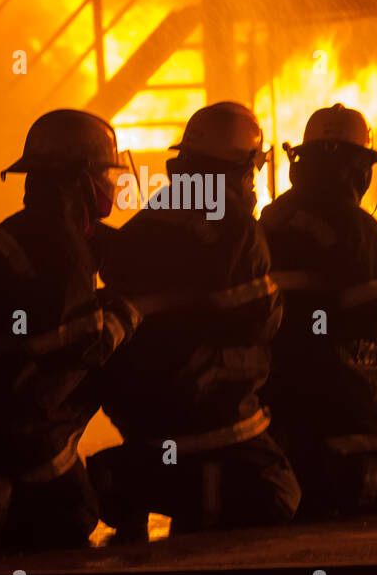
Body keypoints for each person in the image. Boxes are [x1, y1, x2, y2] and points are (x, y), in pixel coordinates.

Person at [0, 110, 141, 553]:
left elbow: (90, 251)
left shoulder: (39, 230)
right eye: (105, 172)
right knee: (71, 515)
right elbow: (80, 346)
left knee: (53, 508)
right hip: (13, 405)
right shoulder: (60, 247)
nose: (112, 183)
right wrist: (124, 314)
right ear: (80, 177)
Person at [85, 102, 302, 539]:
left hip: (145, 422)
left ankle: (131, 479)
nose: (255, 181)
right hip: (216, 420)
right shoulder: (238, 227)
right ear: (239, 168)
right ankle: (197, 489)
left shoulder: (148, 219)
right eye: (253, 168)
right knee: (280, 494)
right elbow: (260, 322)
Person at [260, 104, 377, 518]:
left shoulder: (271, 219)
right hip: (357, 425)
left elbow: (322, 283)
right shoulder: (362, 231)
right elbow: (376, 319)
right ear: (360, 169)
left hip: (284, 425)